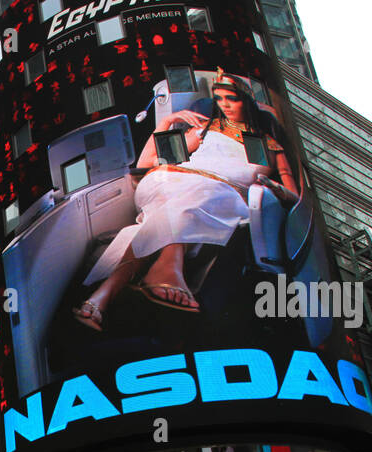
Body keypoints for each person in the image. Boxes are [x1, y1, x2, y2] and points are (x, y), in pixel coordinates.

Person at [75, 69, 300, 327]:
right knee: (192, 191)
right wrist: (166, 122)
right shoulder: (207, 129)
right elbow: (146, 163)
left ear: (246, 101)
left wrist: (278, 189)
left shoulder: (269, 145)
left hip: (221, 193)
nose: (224, 105)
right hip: (171, 181)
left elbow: (293, 194)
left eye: (232, 99)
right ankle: (169, 268)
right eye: (220, 98)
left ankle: (102, 295)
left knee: (190, 199)